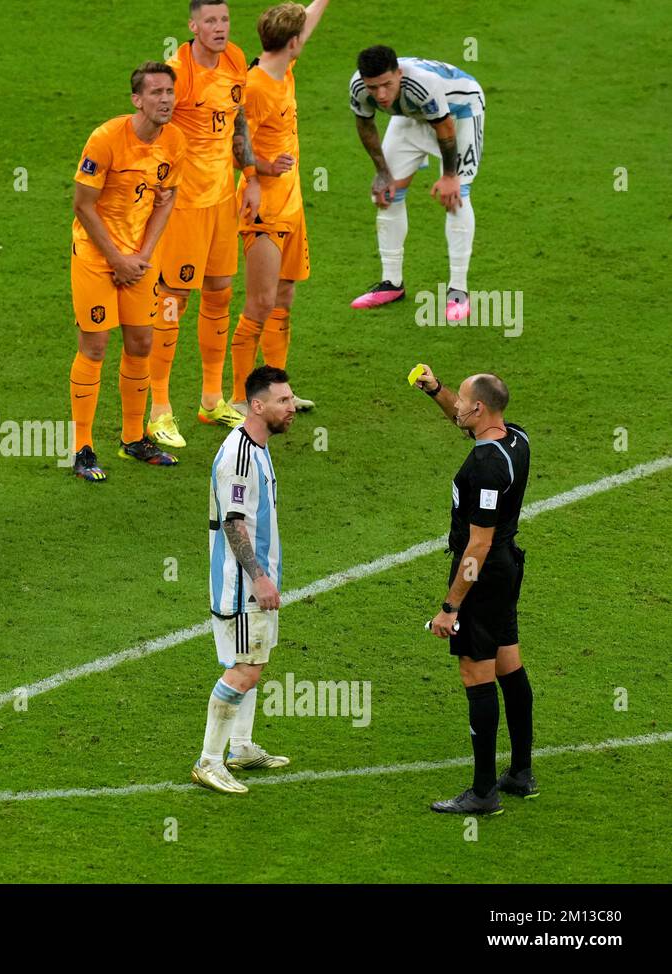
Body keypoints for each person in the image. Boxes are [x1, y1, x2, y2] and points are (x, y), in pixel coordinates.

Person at [413, 365, 536, 814]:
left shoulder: (484, 467)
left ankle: (484, 792)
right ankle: (521, 773)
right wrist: (437, 391)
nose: (458, 407)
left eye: (463, 401)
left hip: (482, 573)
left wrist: (450, 606)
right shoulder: (514, 438)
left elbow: (477, 544)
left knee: (475, 673)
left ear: (480, 407)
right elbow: (468, 425)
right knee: (509, 662)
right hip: (507, 566)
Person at [147, 0, 261, 448]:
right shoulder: (179, 74)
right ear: (193, 26)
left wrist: (250, 176)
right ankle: (159, 409)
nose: (219, 27)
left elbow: (238, 122)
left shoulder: (234, 58)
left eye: (224, 20)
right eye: (210, 21)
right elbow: (153, 128)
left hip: (221, 202)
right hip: (184, 209)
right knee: (173, 300)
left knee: (220, 292)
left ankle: (212, 399)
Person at [69, 61, 187, 482]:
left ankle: (133, 437)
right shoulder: (106, 139)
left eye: (169, 92)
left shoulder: (174, 141)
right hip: (96, 257)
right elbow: (82, 205)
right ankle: (82, 447)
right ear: (136, 99)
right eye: (156, 93)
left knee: (141, 343)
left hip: (138, 259)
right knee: (96, 345)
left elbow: (166, 199)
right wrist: (117, 259)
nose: (165, 100)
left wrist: (143, 255)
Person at [193, 365, 295, 793]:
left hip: (256, 579)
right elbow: (234, 523)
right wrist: (259, 579)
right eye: (283, 401)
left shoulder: (259, 444)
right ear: (258, 405)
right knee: (244, 670)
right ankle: (209, 761)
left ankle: (241, 747)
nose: (292, 408)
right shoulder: (238, 454)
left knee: (255, 661)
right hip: (241, 584)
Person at [230, 0, 329, 416]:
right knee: (260, 302)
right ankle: (238, 397)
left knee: (284, 297)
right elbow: (234, 140)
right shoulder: (255, 87)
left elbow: (304, 25)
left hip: (291, 203)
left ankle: (279, 393)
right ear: (291, 44)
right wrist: (259, 172)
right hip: (263, 206)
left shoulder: (282, 67)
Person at [349, 48, 485, 322]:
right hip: (411, 114)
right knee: (386, 193)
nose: (382, 95)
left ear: (399, 73)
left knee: (456, 195)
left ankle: (458, 291)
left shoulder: (423, 83)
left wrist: (449, 176)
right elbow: (365, 125)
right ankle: (392, 284)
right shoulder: (358, 87)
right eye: (374, 88)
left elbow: (445, 128)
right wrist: (382, 172)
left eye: (387, 84)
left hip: (460, 113)